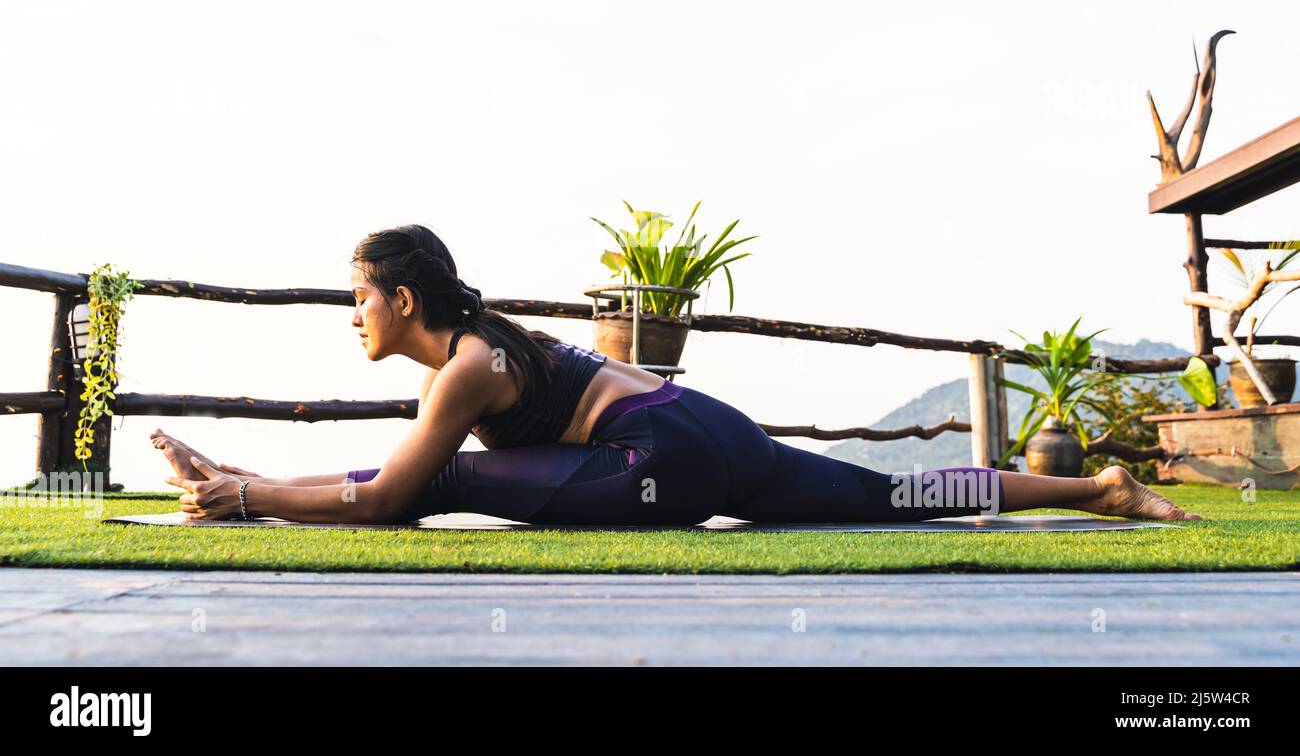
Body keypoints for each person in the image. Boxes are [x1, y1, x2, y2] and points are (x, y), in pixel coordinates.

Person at [154, 224, 1203, 526]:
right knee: (890, 494)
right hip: (703, 424)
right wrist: (247, 476)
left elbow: (387, 497)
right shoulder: (492, 344)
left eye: (360, 296)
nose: (354, 313)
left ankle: (1100, 492)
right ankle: (1099, 488)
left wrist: (244, 492)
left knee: (440, 481)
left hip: (661, 460)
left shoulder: (464, 372)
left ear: (405, 301)